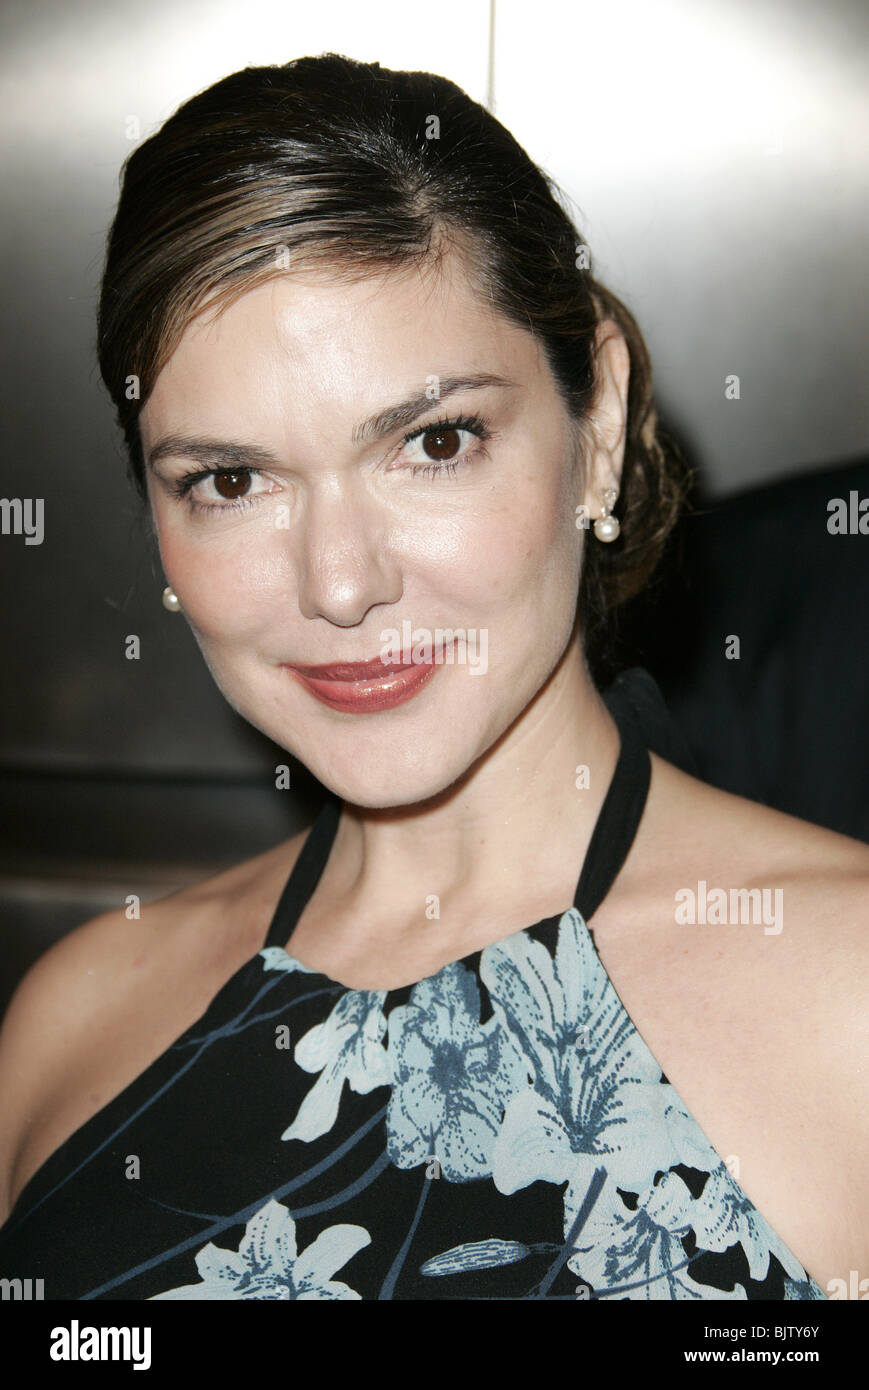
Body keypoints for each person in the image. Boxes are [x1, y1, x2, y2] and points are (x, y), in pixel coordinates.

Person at [0, 53, 865, 1302]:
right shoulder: (69, 1024)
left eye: (432, 441)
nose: (339, 585)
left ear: (599, 420)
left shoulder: (847, 1004)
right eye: (229, 481)